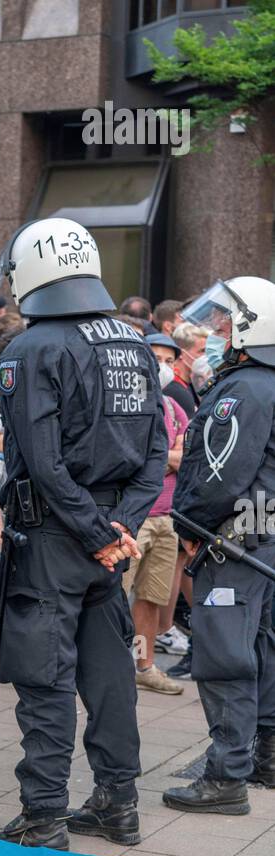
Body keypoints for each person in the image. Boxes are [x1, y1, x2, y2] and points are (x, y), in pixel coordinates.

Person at [0, 217, 167, 848]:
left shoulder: (30, 348)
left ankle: (43, 815)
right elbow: (155, 452)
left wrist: (96, 529)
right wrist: (122, 527)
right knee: (109, 674)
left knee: (45, 679)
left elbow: (40, 462)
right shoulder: (135, 343)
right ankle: (118, 804)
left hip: (56, 534)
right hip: (112, 536)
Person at [163, 277, 275, 813]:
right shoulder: (265, 384)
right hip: (262, 541)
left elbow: (217, 477)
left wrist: (187, 526)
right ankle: (264, 755)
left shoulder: (246, 389)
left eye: (226, 324)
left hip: (234, 544)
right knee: (261, 647)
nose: (216, 333)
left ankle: (225, 778)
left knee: (227, 657)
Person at [122, 333, 189, 695]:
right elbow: (133, 458)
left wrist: (160, 458)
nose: (161, 365)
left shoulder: (174, 408)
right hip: (136, 516)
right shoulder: (128, 403)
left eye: (168, 359)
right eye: (155, 357)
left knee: (151, 599)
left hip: (167, 517)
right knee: (116, 595)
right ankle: (107, 664)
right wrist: (163, 459)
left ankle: (143, 663)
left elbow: (185, 456)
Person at [166, 321, 208, 418]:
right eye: (202, 351)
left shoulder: (191, 383)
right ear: (181, 353)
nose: (206, 356)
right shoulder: (174, 389)